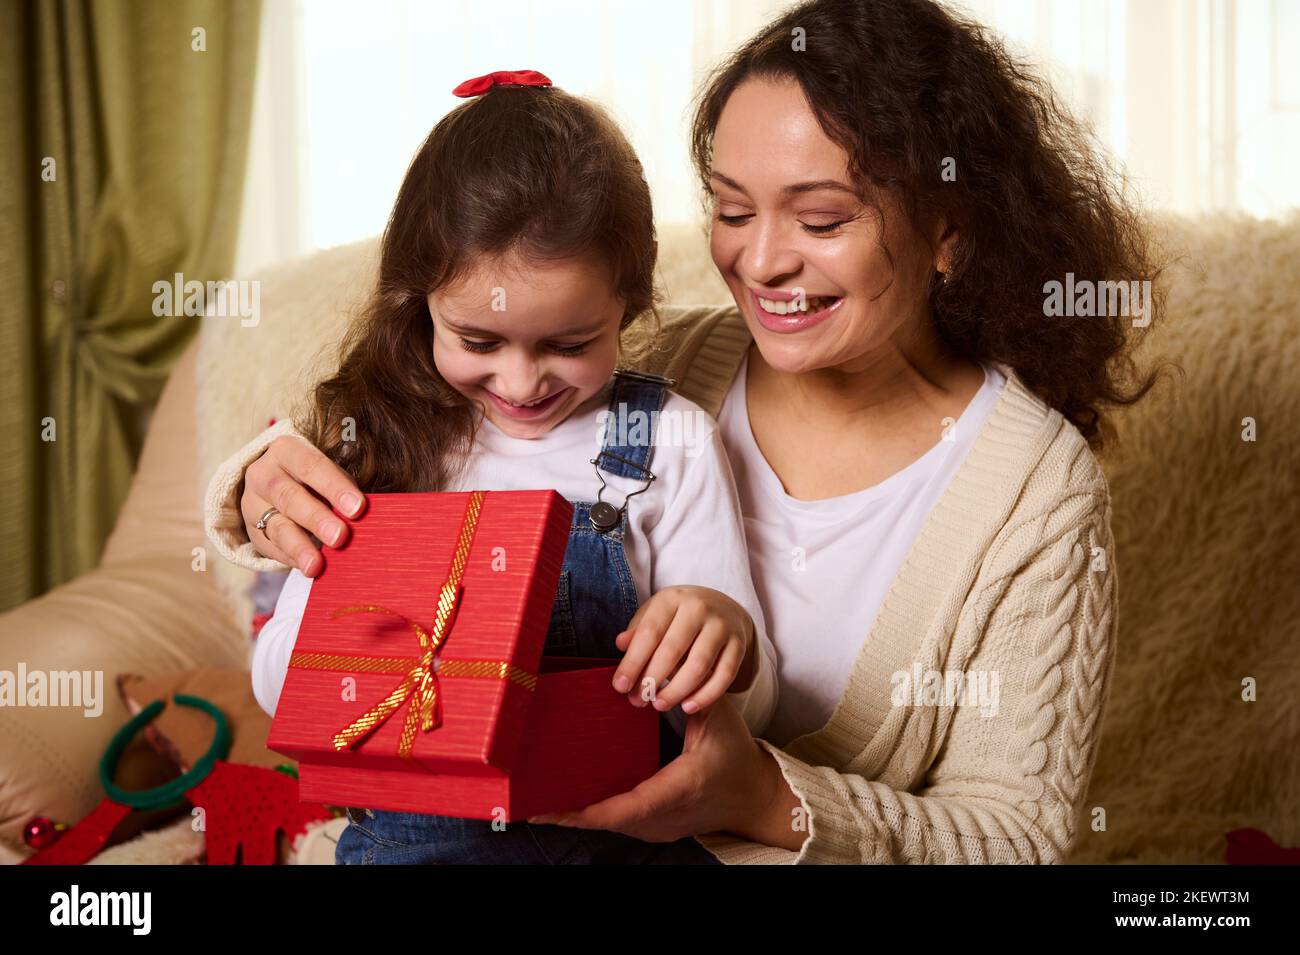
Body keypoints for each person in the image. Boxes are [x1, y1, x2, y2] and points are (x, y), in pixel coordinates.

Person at [206, 0, 1163, 863]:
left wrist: (763, 796)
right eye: (732, 208)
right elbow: (440, 428)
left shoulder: (1031, 495)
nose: (761, 260)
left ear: (948, 228)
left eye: (821, 218)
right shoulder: (676, 367)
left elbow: (1015, 839)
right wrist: (264, 486)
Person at [238, 69, 777, 864]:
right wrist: (354, 630)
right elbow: (277, 683)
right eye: (478, 342)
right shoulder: (380, 442)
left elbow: (750, 716)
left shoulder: (669, 441)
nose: (523, 383)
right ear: (416, 302)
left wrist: (721, 637)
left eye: (570, 342)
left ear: (628, 301)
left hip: (621, 841)